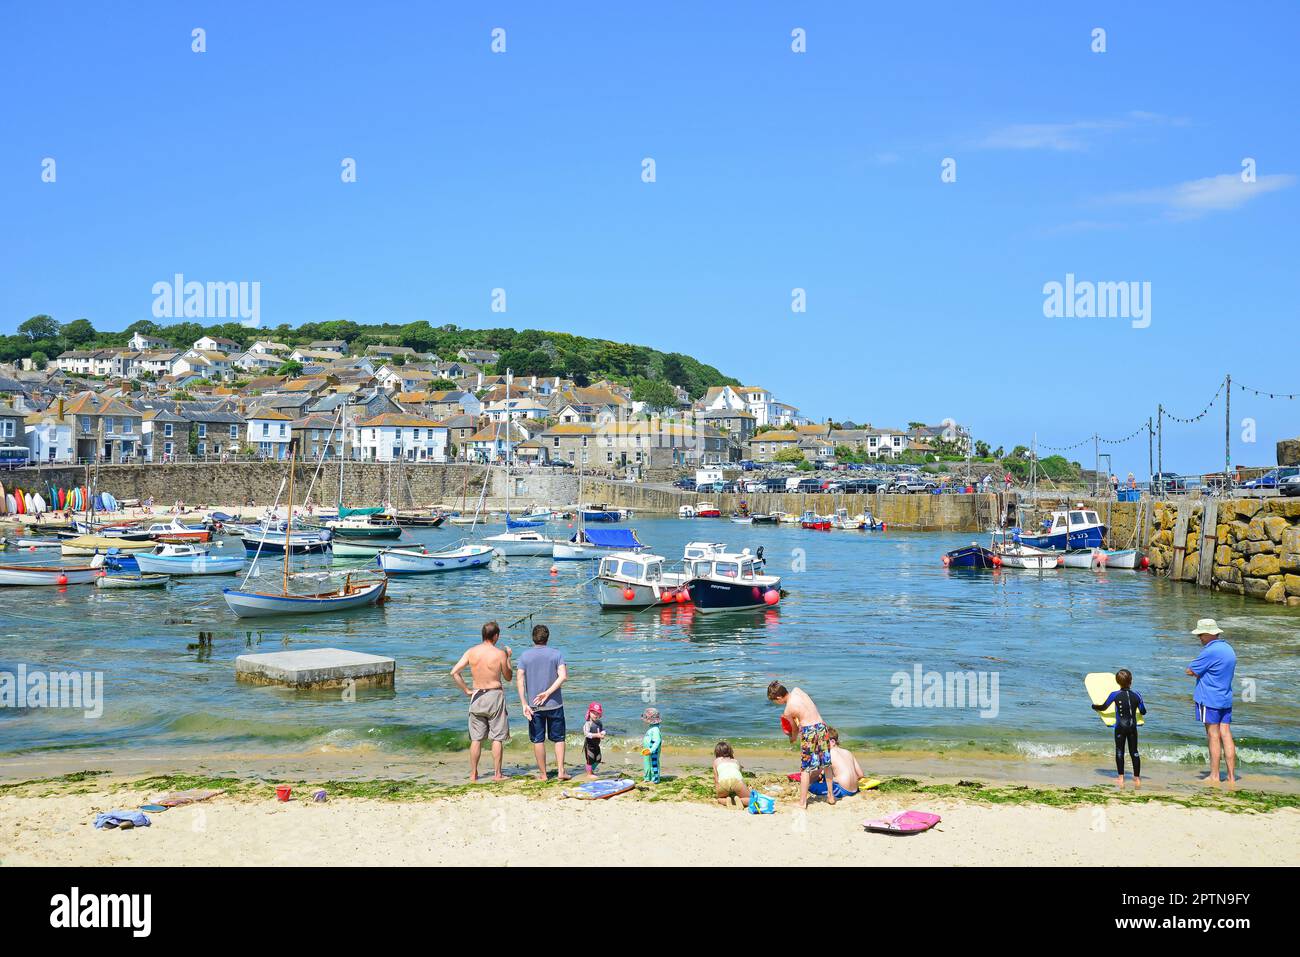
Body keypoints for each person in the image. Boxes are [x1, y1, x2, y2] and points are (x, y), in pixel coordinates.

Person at [449, 621, 513, 782]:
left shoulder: (471, 652)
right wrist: (509, 657)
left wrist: (466, 690)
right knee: (497, 737)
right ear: (496, 636)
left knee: (476, 739)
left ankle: (473, 774)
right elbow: (508, 677)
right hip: (494, 695)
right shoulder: (499, 653)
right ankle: (497, 774)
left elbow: (454, 672)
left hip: (477, 696)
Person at [767, 680, 836, 808]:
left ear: (778, 698)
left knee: (805, 768)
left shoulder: (788, 710)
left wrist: (792, 739)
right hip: (821, 726)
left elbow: (794, 729)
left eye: (775, 701)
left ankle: (802, 802)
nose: (777, 704)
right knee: (826, 764)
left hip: (809, 730)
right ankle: (831, 796)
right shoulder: (798, 690)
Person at [1186, 618, 1237, 788]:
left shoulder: (1210, 651)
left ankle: (1214, 775)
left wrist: (1201, 673)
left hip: (1209, 698)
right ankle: (1231, 777)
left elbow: (1190, 670)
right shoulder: (1229, 649)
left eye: (1201, 634)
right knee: (1226, 734)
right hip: (1225, 697)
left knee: (1213, 735)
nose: (1199, 637)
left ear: (1209, 634)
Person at [515, 624, 569, 781]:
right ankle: (560, 771)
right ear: (547, 638)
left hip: (534, 706)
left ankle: (543, 774)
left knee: (538, 739)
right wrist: (548, 693)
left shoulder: (525, 656)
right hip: (555, 703)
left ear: (533, 638)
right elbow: (563, 676)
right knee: (559, 738)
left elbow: (519, 679)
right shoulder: (556, 654)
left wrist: (524, 703)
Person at [1092, 669, 1148, 789]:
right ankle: (1137, 778)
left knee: (1119, 751)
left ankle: (1121, 778)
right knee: (1134, 752)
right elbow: (1143, 711)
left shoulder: (1114, 694)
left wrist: (1094, 706)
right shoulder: (1137, 694)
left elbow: (1104, 707)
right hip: (1132, 727)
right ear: (1131, 681)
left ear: (1117, 682)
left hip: (1120, 727)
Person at [810, 726, 867, 799]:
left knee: (812, 786)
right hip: (855, 789)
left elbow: (815, 774)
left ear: (832, 742)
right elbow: (861, 774)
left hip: (841, 790)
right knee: (827, 773)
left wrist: (810, 780)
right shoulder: (848, 752)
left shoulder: (828, 753)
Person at [712, 741, 751, 807]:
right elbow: (740, 776)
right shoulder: (736, 761)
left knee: (719, 799)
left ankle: (728, 801)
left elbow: (716, 779)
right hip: (737, 781)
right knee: (751, 800)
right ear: (730, 751)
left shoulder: (716, 761)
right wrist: (746, 788)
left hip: (723, 782)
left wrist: (718, 791)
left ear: (717, 752)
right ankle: (740, 801)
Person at [582, 702, 606, 779]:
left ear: (600, 714)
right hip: (589, 745)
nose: (595, 715)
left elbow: (603, 730)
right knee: (590, 760)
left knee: (598, 759)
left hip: (596, 745)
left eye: (597, 713)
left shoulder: (599, 722)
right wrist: (597, 735)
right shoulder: (588, 723)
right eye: (593, 713)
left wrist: (603, 733)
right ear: (589, 712)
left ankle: (590, 770)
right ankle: (589, 773)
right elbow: (586, 734)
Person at [641, 707, 662, 783]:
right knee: (647, 763)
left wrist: (651, 750)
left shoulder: (655, 729)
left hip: (653, 751)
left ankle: (655, 779)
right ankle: (647, 778)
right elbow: (648, 738)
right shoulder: (651, 728)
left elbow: (657, 741)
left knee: (654, 764)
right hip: (647, 750)